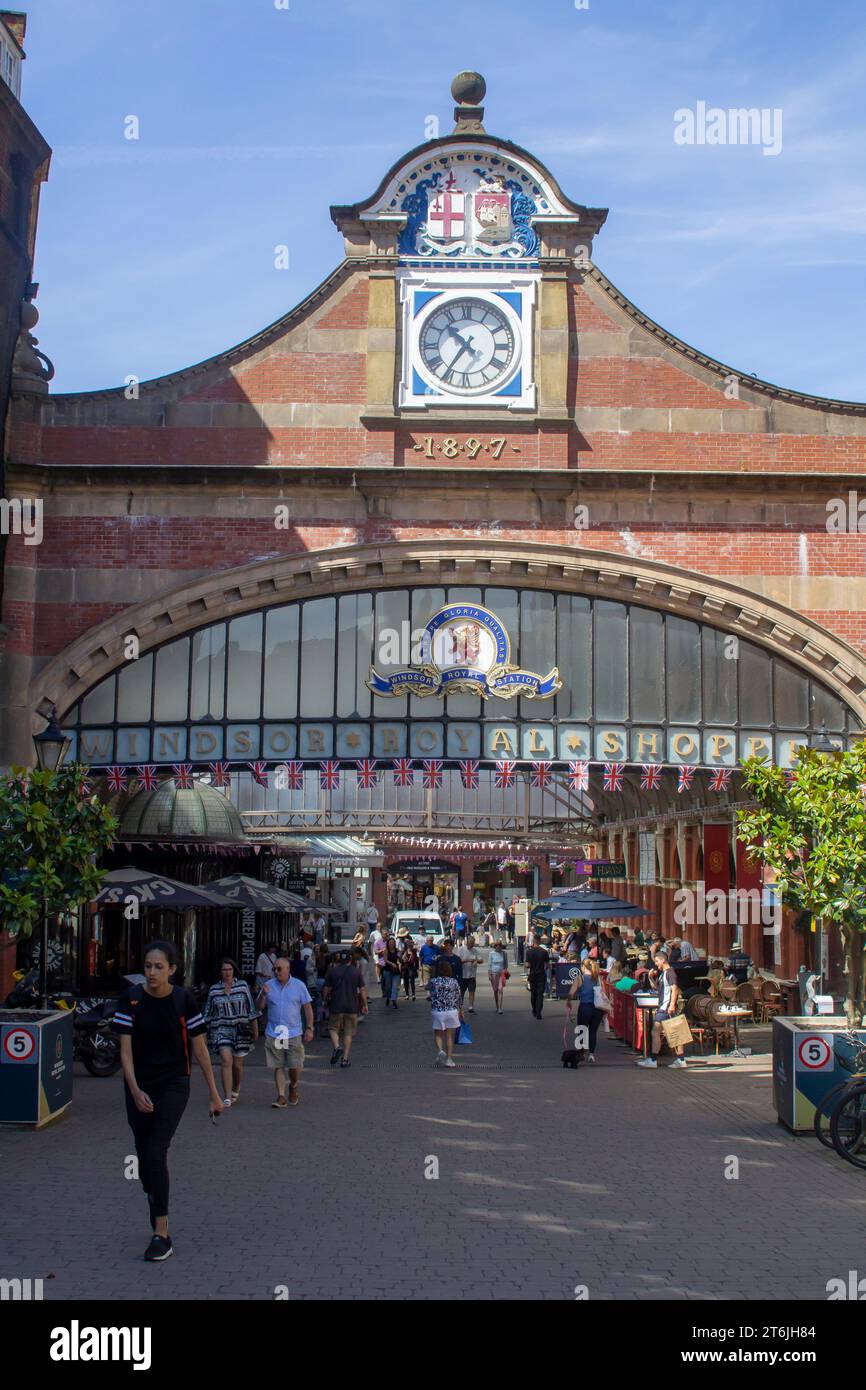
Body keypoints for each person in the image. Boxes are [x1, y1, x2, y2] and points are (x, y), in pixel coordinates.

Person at [114, 940, 223, 1261]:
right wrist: (135, 1090)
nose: (152, 972)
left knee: (155, 1150)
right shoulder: (131, 999)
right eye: (148, 966)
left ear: (172, 969)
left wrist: (215, 1094)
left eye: (159, 967)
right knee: (144, 1157)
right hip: (138, 1084)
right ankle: (154, 1196)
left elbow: (200, 1049)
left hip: (174, 1084)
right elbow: (125, 1051)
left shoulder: (183, 1000)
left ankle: (161, 1234)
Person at [256, 957, 314, 1107]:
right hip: (275, 1032)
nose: (276, 972)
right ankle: (281, 1096)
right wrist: (263, 995)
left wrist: (309, 1028)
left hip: (293, 1032)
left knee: (294, 1066)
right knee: (279, 1065)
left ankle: (293, 1085)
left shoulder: (299, 986)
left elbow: (308, 1009)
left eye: (279, 969)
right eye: (274, 969)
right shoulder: (268, 985)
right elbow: (259, 1007)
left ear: (288, 969)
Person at [203, 957, 259, 1107]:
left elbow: (251, 1009)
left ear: (234, 971)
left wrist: (255, 1029)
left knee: (238, 1064)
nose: (227, 972)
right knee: (226, 1060)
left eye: (230, 969)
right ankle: (227, 1097)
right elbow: (207, 1013)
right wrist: (202, 1033)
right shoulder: (214, 990)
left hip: (240, 1029)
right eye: (224, 970)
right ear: (220, 972)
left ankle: (235, 1088)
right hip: (221, 1029)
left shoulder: (242, 986)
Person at [636, 949, 686, 1069]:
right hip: (666, 1006)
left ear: (663, 960)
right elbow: (657, 988)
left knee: (655, 1032)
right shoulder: (663, 974)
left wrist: (672, 1004)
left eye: (657, 961)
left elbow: (674, 988)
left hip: (666, 1007)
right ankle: (681, 1059)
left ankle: (653, 1060)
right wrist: (650, 978)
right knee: (675, 1032)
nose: (656, 964)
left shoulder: (670, 973)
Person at [324, 949, 368, 1068]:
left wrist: (324, 1000)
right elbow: (362, 989)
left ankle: (337, 1047)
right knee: (348, 1033)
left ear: (339, 959)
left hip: (336, 1005)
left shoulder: (332, 971)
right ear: (350, 959)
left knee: (333, 1028)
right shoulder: (356, 972)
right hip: (351, 1006)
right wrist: (365, 1004)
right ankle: (345, 1059)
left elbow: (326, 988)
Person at [565, 959, 605, 1063]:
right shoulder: (598, 978)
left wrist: (569, 1001)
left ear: (583, 967)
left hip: (585, 1008)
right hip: (597, 1009)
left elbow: (571, 993)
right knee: (593, 1032)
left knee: (582, 1030)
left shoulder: (580, 978)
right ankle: (591, 1054)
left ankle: (581, 1053)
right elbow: (604, 994)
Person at [427, 958, 463, 1068]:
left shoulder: (434, 981)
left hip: (438, 1010)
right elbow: (459, 996)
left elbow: (427, 988)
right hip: (451, 1010)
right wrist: (461, 1010)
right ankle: (449, 1059)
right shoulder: (454, 982)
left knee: (438, 1033)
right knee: (449, 1036)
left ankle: (440, 1051)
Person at [525, 934, 550, 1020]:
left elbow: (527, 965)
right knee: (540, 994)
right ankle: (538, 1011)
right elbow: (547, 965)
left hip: (532, 975)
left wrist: (529, 965)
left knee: (533, 993)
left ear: (533, 941)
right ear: (539, 941)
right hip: (541, 975)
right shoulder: (544, 952)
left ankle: (534, 1010)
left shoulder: (529, 952)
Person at [456, 935, 482, 1012]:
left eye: (473, 943)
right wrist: (467, 960)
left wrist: (476, 961)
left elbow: (481, 960)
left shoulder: (475, 950)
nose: (472, 944)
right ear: (467, 942)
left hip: (472, 975)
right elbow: (457, 961)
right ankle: (460, 1005)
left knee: (472, 991)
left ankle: (471, 1007)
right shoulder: (460, 949)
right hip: (463, 975)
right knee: (461, 992)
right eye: (471, 942)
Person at [488, 939, 508, 1014]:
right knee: (495, 990)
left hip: (501, 974)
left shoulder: (504, 953)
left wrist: (505, 971)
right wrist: (489, 974)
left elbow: (506, 964)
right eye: (497, 945)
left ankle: (500, 1008)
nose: (498, 946)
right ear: (495, 946)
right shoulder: (491, 954)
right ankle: (497, 1006)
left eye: (500, 945)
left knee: (500, 990)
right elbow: (489, 965)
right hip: (494, 974)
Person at [381, 937, 402, 1009]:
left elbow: (400, 959)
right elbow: (385, 960)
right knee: (388, 987)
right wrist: (392, 964)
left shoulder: (397, 950)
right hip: (387, 970)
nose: (391, 944)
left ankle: (394, 1001)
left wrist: (400, 957)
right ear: (388, 943)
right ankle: (388, 997)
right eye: (390, 942)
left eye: (393, 942)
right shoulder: (386, 950)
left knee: (395, 986)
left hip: (395, 971)